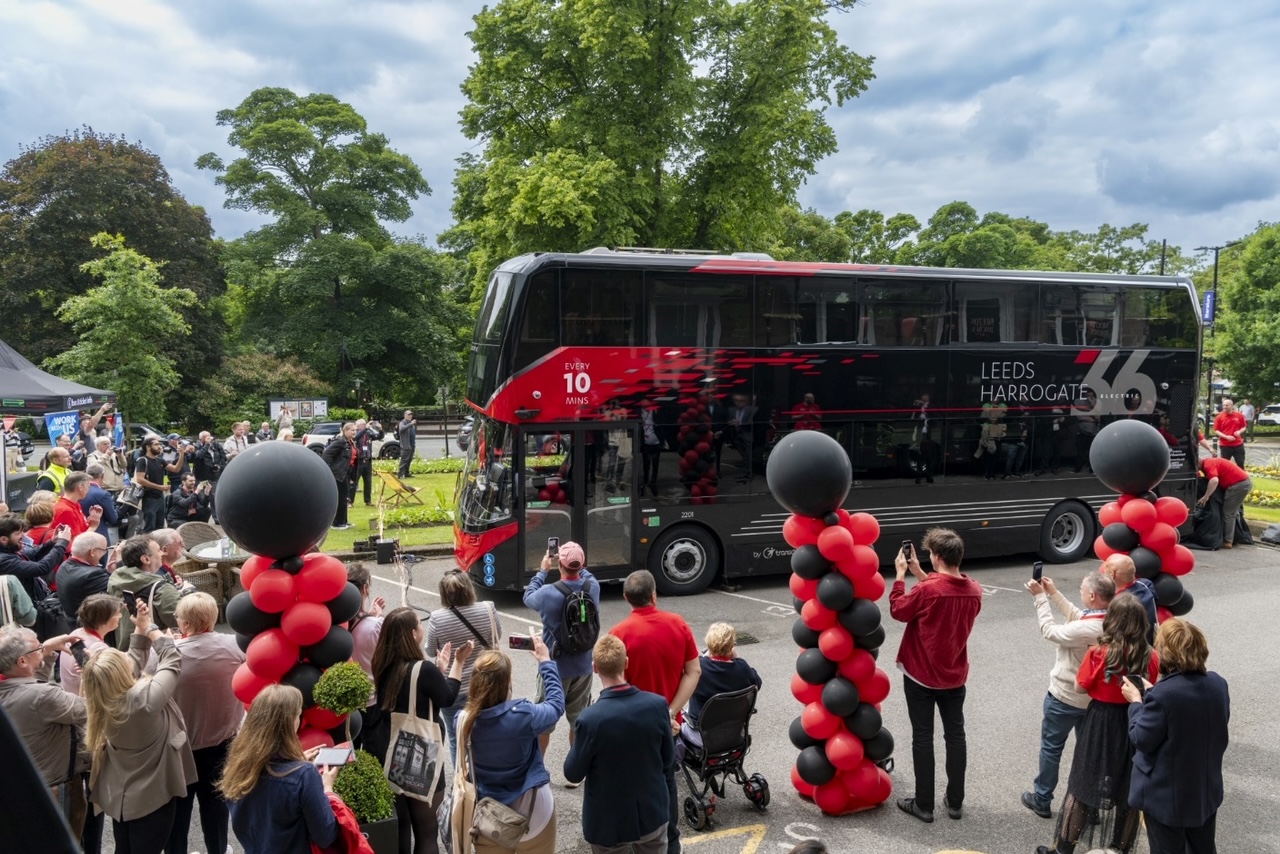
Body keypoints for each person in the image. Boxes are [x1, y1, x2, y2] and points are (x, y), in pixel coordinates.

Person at [1037, 596, 1159, 854]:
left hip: (1100, 721)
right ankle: (1120, 848)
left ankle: (1064, 848)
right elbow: (1152, 687)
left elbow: (1080, 686)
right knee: (1128, 789)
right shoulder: (1151, 655)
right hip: (1134, 718)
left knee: (1082, 785)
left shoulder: (1099, 652)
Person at [83, 600, 197, 854]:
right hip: (152, 796)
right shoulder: (144, 700)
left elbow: (130, 665)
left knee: (124, 847)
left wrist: (139, 630)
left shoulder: (101, 698)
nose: (127, 659)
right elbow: (172, 660)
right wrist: (153, 629)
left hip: (124, 795)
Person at [890, 527, 983, 823]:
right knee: (956, 736)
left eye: (930, 554)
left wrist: (901, 575)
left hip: (921, 676)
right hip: (955, 676)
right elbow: (943, 592)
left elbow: (899, 610)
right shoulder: (974, 590)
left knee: (923, 738)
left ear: (938, 556)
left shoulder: (927, 590)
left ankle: (924, 804)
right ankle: (955, 803)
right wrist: (921, 571)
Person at [365, 608, 470, 854]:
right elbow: (446, 697)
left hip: (393, 753)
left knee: (402, 825)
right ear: (414, 634)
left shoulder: (383, 664)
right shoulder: (423, 669)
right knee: (426, 832)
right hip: (422, 753)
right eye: (420, 626)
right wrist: (458, 663)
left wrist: (439, 670)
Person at [1121, 618, 1229, 854]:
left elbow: (1141, 738)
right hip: (1203, 788)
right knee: (1203, 847)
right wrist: (1153, 693)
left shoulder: (1163, 695)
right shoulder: (1218, 684)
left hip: (1167, 795)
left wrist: (1137, 702)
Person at [610, 569, 700, 854]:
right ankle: (670, 843)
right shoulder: (678, 624)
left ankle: (637, 841)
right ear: (654, 595)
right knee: (665, 780)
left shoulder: (619, 634)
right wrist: (671, 712)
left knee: (632, 783)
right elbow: (693, 671)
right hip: (667, 725)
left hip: (632, 726)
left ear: (626, 598)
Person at [564, 634, 675, 854]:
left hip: (608, 822)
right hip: (651, 812)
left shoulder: (589, 719)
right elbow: (668, 760)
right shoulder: (657, 705)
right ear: (626, 663)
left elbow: (573, 773)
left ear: (595, 668)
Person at [1020, 572, 1116, 819]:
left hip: (1064, 696)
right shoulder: (1113, 620)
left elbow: (1050, 631)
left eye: (1082, 589)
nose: (1080, 592)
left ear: (1093, 596)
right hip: (1094, 699)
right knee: (1089, 753)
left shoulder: (1085, 629)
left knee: (1051, 748)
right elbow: (1077, 614)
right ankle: (1089, 805)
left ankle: (1042, 799)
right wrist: (1053, 593)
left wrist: (1041, 598)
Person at [457, 642, 563, 854]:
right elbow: (556, 704)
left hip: (489, 819)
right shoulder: (524, 715)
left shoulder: (464, 721)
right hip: (534, 816)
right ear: (507, 684)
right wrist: (546, 662)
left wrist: (458, 663)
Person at [219, 684, 340, 854]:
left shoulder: (238, 766)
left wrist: (295, 762)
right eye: (298, 715)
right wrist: (328, 789)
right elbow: (326, 835)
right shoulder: (305, 775)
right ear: (289, 722)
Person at [168, 592, 246, 854]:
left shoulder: (169, 654)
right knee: (216, 807)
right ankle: (218, 849)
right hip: (223, 741)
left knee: (178, 810)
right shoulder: (235, 646)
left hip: (180, 748)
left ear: (186, 624)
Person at [0, 627, 86, 838]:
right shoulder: (45, 697)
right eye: (38, 648)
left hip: (23, 786)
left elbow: (30, 686)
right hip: (56, 791)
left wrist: (44, 653)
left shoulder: (11, 688)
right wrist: (90, 672)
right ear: (21, 661)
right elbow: (88, 710)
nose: (43, 648)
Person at [522, 540, 599, 771]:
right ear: (582, 564)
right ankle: (575, 771)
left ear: (560, 565)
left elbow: (528, 597)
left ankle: (538, 767)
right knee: (578, 721)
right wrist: (579, 564)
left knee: (544, 722)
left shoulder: (547, 593)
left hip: (553, 668)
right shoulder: (593, 587)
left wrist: (543, 569)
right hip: (584, 667)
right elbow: (586, 573)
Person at [426, 568, 501, 760]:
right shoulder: (488, 608)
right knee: (490, 732)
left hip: (453, 687)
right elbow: (496, 636)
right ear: (469, 589)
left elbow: (430, 649)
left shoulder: (437, 618)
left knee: (456, 738)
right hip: (486, 682)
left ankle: (462, 783)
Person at [679, 623, 762, 753]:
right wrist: (736, 658)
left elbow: (682, 684)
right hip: (733, 735)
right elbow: (757, 682)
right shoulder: (742, 668)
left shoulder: (699, 668)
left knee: (674, 719)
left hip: (702, 737)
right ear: (732, 646)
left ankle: (673, 762)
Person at [107, 536, 182, 646]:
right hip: (154, 651)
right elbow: (184, 620)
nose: (162, 553)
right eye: (158, 550)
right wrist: (186, 593)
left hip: (126, 648)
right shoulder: (161, 588)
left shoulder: (116, 579)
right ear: (146, 559)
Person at [0, 512, 71, 611]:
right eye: (18, 533)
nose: (23, 536)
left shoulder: (9, 551)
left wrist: (52, 542)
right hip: (25, 612)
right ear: (3, 539)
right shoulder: (4, 560)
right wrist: (62, 543)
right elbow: (41, 568)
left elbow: (32, 554)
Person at [58, 593, 123, 697]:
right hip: (85, 706)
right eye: (117, 613)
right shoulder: (99, 649)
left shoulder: (75, 633)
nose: (121, 616)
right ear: (104, 619)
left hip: (71, 698)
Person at [345, 562, 385, 718]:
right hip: (372, 701)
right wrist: (379, 617)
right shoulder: (376, 626)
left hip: (346, 701)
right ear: (364, 589)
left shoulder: (335, 623)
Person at [55, 533, 111, 626]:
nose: (104, 554)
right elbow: (116, 593)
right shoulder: (93, 576)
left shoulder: (65, 565)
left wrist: (108, 571)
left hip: (69, 622)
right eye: (103, 550)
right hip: (89, 627)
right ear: (92, 552)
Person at [1199, 454, 1253, 549]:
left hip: (1238, 485)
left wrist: (1206, 496)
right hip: (1244, 483)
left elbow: (1214, 480)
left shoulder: (1208, 465)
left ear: (1197, 463)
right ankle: (1237, 535)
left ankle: (1228, 541)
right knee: (1234, 512)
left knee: (1228, 513)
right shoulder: (1210, 462)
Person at [1098, 553, 1157, 640]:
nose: (1103, 571)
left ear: (1112, 574)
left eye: (1106, 567)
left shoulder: (1120, 603)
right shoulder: (1146, 585)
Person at [133, 437, 177, 533]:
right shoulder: (142, 460)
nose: (159, 446)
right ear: (148, 447)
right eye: (156, 444)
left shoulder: (160, 460)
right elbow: (140, 479)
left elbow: (176, 469)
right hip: (149, 498)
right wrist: (160, 487)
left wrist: (182, 454)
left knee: (160, 527)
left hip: (160, 498)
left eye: (159, 444)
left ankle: (158, 547)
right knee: (149, 528)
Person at [322, 422, 357, 530]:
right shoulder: (340, 441)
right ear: (345, 431)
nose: (354, 432)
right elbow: (327, 454)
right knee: (341, 498)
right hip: (338, 474)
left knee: (345, 497)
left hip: (346, 473)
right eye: (352, 430)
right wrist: (328, 469)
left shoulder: (350, 442)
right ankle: (337, 523)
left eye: (355, 430)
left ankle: (344, 521)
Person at [52, 471, 103, 545]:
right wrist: (93, 526)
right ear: (80, 487)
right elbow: (77, 543)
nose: (89, 490)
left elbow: (81, 530)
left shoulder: (75, 504)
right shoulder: (66, 511)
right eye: (88, 486)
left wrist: (90, 521)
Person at [82, 464, 120, 540]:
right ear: (102, 476)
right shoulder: (103, 494)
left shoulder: (78, 491)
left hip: (79, 534)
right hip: (97, 535)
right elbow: (112, 518)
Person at [351, 418, 380, 506]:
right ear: (358, 425)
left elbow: (379, 436)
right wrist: (365, 428)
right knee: (354, 482)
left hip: (367, 461)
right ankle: (350, 501)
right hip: (358, 461)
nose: (365, 425)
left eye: (365, 424)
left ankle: (367, 501)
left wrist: (380, 429)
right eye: (363, 424)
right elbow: (356, 437)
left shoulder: (368, 433)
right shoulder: (356, 433)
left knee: (368, 482)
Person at [1212, 397, 1246, 467]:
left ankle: (1241, 477)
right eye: (1223, 405)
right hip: (1225, 445)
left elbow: (1244, 427)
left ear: (1231, 405)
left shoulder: (1239, 415)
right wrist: (1226, 437)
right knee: (1225, 465)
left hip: (1238, 444)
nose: (1224, 407)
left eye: (1227, 405)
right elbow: (1216, 430)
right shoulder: (1219, 417)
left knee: (1240, 463)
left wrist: (1239, 431)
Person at [396, 410, 417, 479]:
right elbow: (402, 429)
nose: (410, 416)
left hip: (411, 445)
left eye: (411, 415)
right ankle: (400, 474)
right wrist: (411, 424)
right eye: (408, 415)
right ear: (405, 415)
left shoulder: (411, 424)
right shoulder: (402, 422)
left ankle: (406, 473)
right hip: (405, 445)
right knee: (404, 460)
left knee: (409, 459)